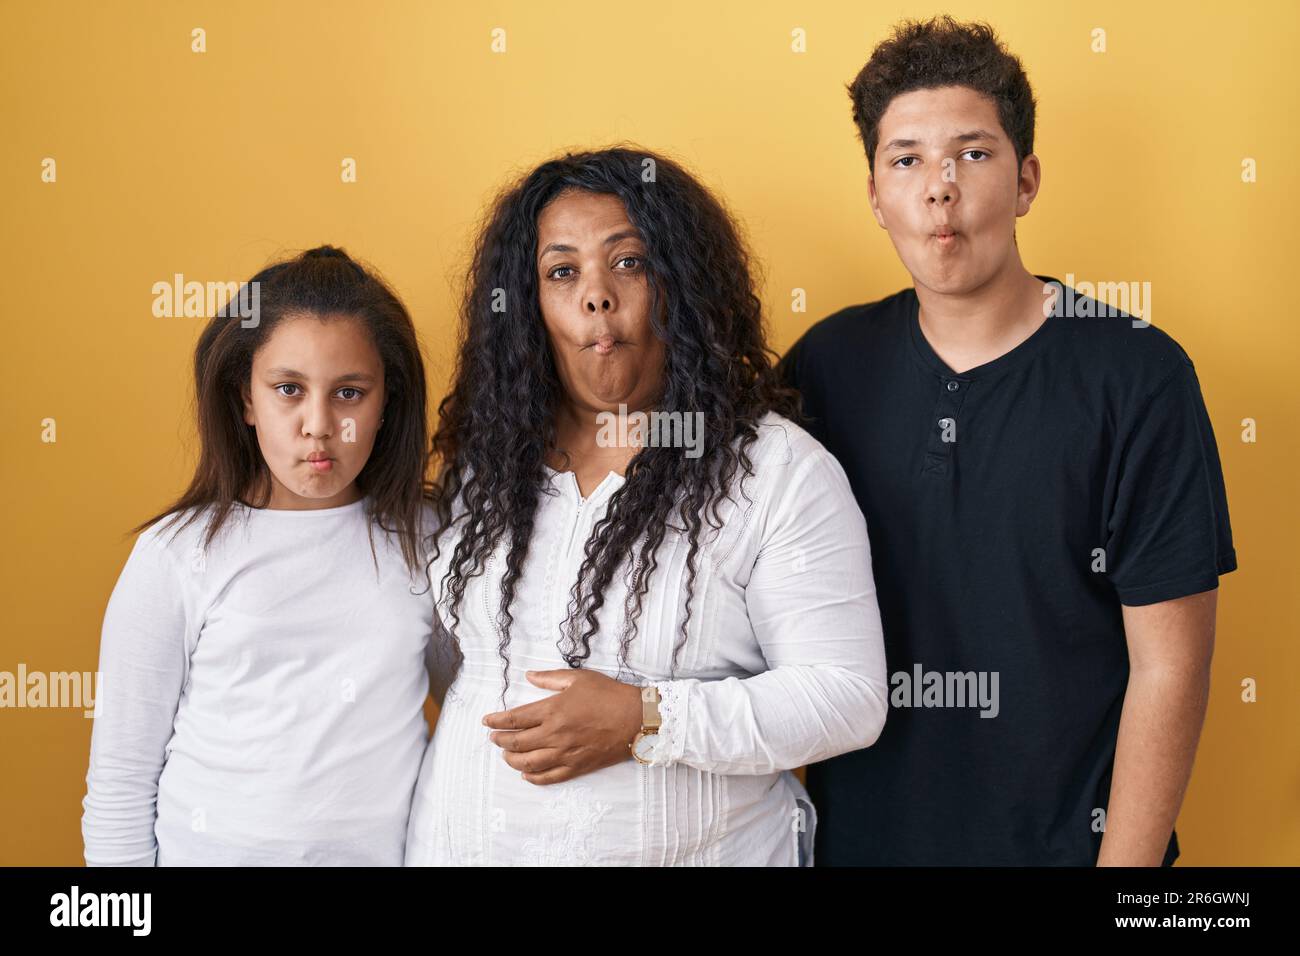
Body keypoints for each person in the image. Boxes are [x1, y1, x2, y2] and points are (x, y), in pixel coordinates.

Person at [778, 16, 1236, 865]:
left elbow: (1171, 668)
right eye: (905, 159)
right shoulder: (824, 369)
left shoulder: (1139, 376)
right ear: (874, 195)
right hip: (862, 846)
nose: (939, 188)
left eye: (973, 154)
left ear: (1026, 180)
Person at [404, 146, 888, 866]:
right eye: (561, 272)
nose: (596, 295)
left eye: (628, 263)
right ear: (529, 305)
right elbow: (453, 664)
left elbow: (847, 697)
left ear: (682, 287)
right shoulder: (489, 465)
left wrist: (644, 718)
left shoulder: (776, 471)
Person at [82, 246, 436, 865]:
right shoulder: (176, 555)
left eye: (350, 392)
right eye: (288, 390)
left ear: (387, 404)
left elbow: (484, 694)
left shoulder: (425, 539)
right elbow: (119, 784)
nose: (319, 424)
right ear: (246, 399)